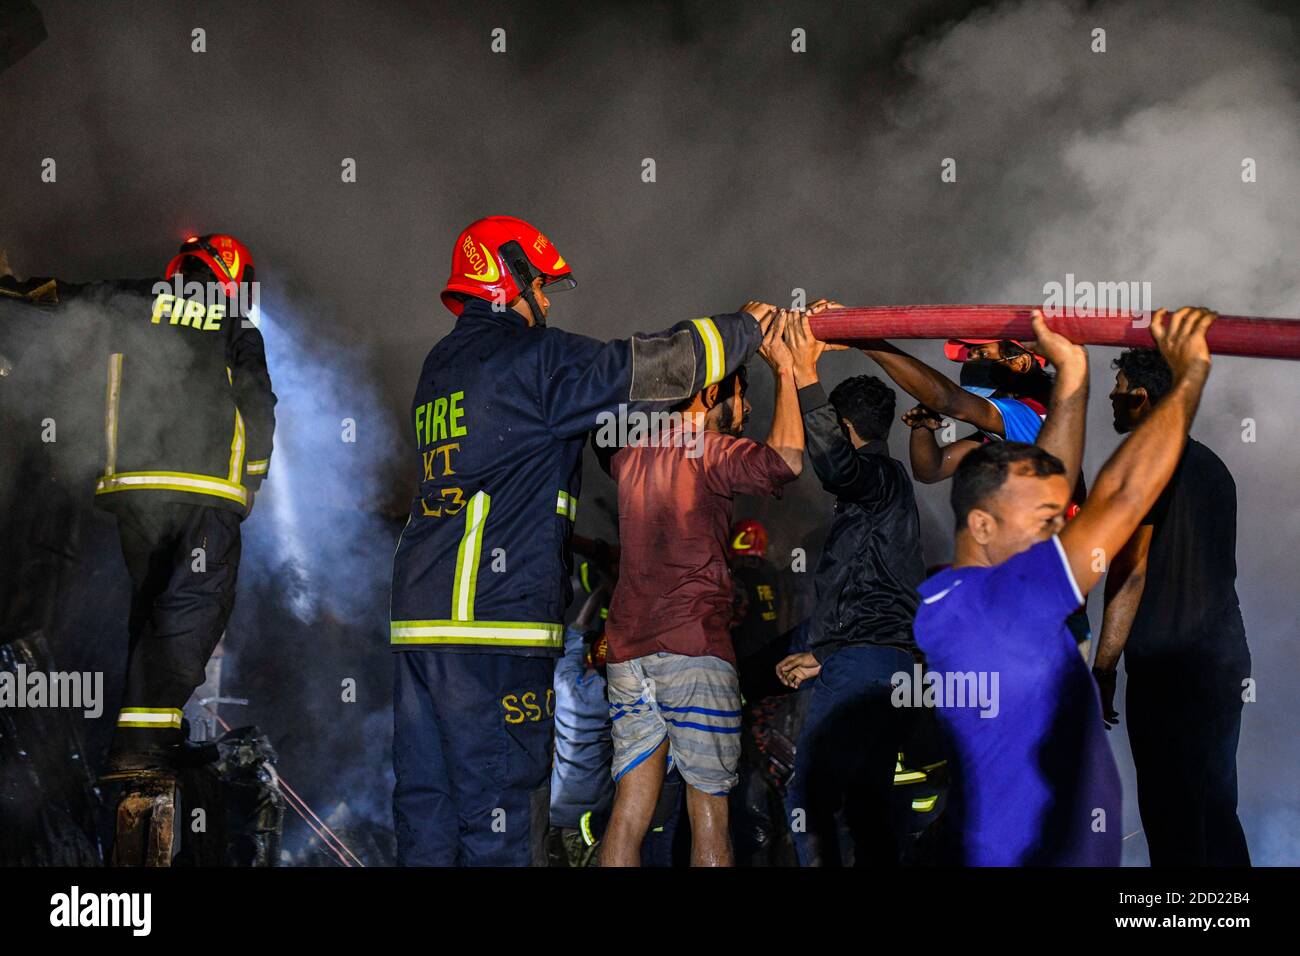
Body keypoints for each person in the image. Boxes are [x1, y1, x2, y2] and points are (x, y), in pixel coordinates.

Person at [389, 215, 773, 866]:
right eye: (540, 288)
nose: (544, 302)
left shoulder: (441, 365)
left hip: (422, 628)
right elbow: (654, 366)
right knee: (502, 826)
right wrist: (745, 328)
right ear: (509, 280)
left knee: (429, 816)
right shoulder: (532, 360)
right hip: (493, 633)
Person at [913, 306, 1218, 865]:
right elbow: (1121, 496)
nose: (1061, 536)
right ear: (982, 524)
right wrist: (1191, 375)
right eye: (1045, 523)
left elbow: (1056, 472)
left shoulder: (953, 602)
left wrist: (1073, 377)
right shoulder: (1013, 602)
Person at [597, 312, 803, 867]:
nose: (748, 411)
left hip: (628, 652)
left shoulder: (627, 456)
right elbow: (785, 463)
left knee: (629, 811)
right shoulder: (710, 451)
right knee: (709, 812)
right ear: (713, 390)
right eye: (743, 396)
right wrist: (786, 372)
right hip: (694, 649)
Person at [775, 306, 927, 867]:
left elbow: (837, 469)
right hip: (869, 659)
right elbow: (871, 590)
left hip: (868, 664)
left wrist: (805, 375)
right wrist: (823, 654)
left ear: (843, 427)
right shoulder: (882, 496)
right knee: (866, 805)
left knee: (813, 797)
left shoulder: (878, 478)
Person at [1093, 348, 1251, 866]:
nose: (1112, 398)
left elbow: (1130, 570)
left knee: (1171, 813)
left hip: (1168, 668)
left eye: (1118, 387)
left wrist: (1104, 666)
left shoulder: (1147, 468)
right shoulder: (1213, 466)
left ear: (1141, 395)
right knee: (1214, 806)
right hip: (1222, 663)